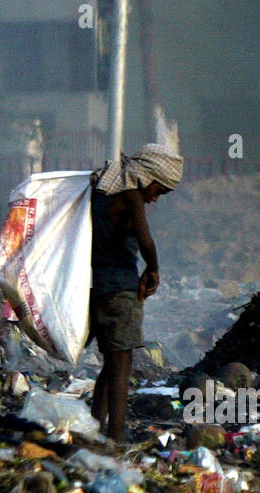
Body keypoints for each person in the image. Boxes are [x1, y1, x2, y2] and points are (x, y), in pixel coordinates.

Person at [88, 143, 183, 441]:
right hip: (120, 293)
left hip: (97, 290)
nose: (154, 198)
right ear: (146, 175)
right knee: (121, 368)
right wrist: (153, 268)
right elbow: (146, 240)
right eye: (158, 190)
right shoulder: (129, 195)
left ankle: (94, 428)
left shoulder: (100, 192)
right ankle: (115, 438)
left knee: (111, 364)